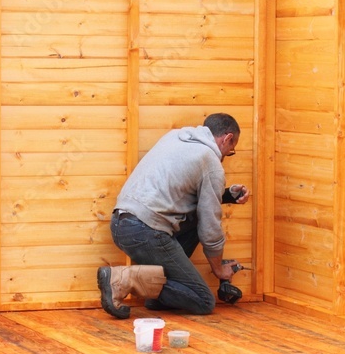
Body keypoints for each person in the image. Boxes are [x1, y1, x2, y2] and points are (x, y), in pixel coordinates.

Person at [97, 113, 250, 319]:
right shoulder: (209, 161)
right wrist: (218, 270)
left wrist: (226, 195)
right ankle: (126, 278)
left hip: (122, 224)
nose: (225, 156)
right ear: (228, 138)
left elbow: (178, 194)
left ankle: (153, 292)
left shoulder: (175, 137)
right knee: (204, 300)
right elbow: (210, 227)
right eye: (230, 151)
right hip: (147, 231)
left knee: (195, 220)